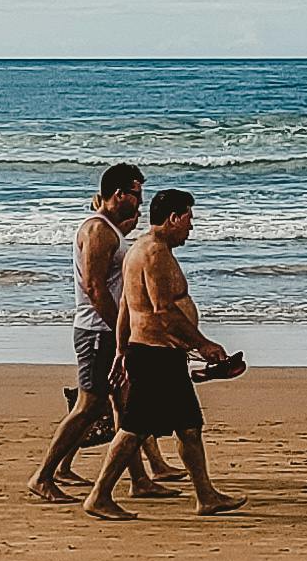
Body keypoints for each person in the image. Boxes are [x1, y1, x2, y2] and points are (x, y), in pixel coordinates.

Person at [29, 166, 184, 502]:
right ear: (119, 194)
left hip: (104, 331)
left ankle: (140, 479)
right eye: (136, 194)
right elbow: (95, 288)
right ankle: (43, 476)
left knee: (125, 406)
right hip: (97, 332)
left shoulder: (110, 229)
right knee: (88, 406)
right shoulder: (98, 231)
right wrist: (120, 335)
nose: (140, 202)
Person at [86, 189, 242, 519]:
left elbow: (127, 306)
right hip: (156, 356)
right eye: (188, 219)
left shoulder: (139, 249)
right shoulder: (155, 253)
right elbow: (164, 312)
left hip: (156, 353)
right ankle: (99, 496)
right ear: (172, 218)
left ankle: (206, 496)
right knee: (133, 429)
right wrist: (204, 344)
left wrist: (120, 349)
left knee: (188, 426)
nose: (191, 227)